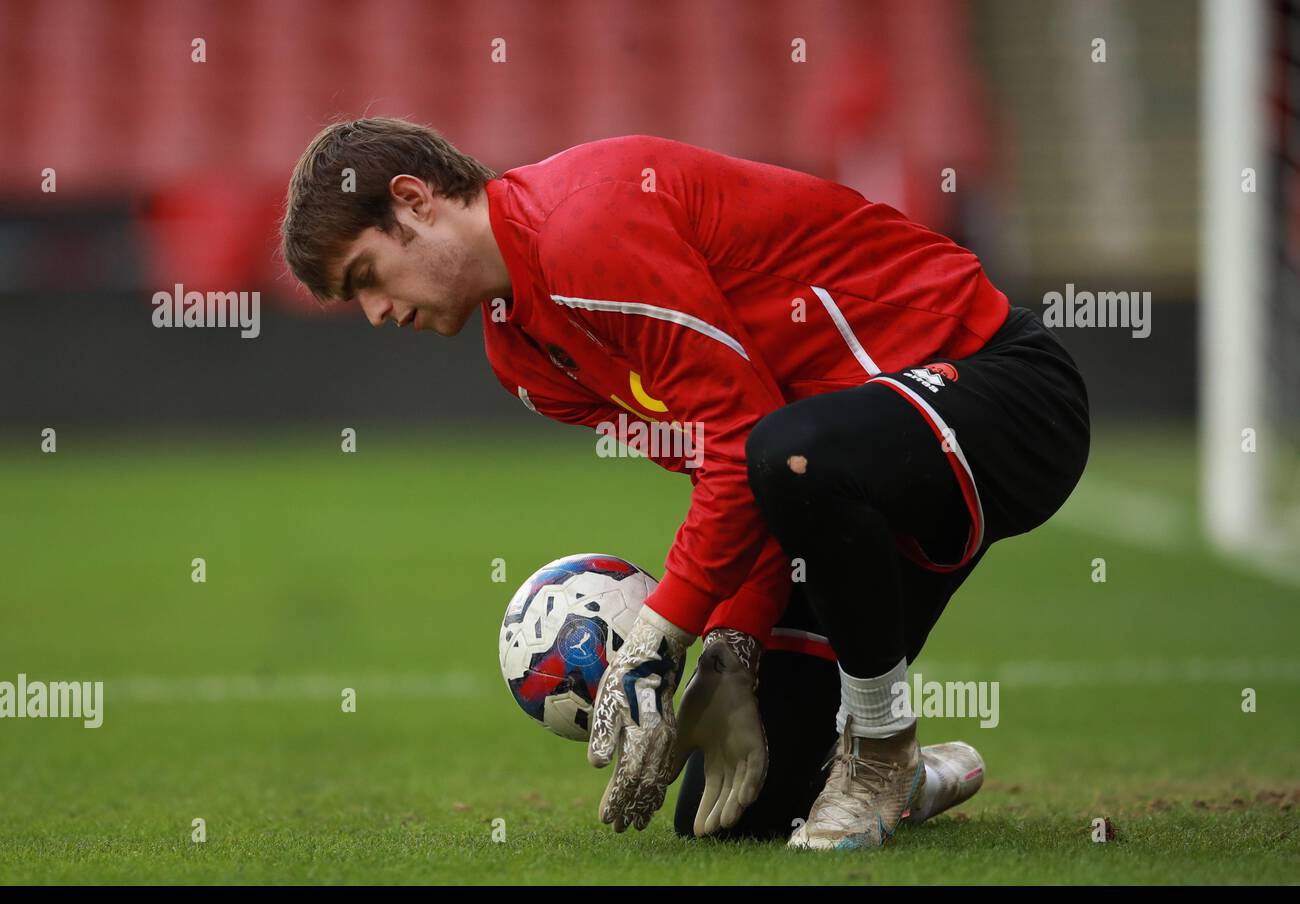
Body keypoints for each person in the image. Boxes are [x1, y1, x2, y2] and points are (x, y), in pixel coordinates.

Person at [281, 118, 1090, 849]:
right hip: (841, 465)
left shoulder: (583, 226)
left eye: (366, 277)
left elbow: (749, 446)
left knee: (791, 452)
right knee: (734, 811)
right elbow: (731, 473)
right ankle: (898, 780)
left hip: (995, 387)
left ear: (415, 201)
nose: (378, 313)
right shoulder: (523, 359)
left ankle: (879, 746)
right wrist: (732, 653)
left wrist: (660, 638)